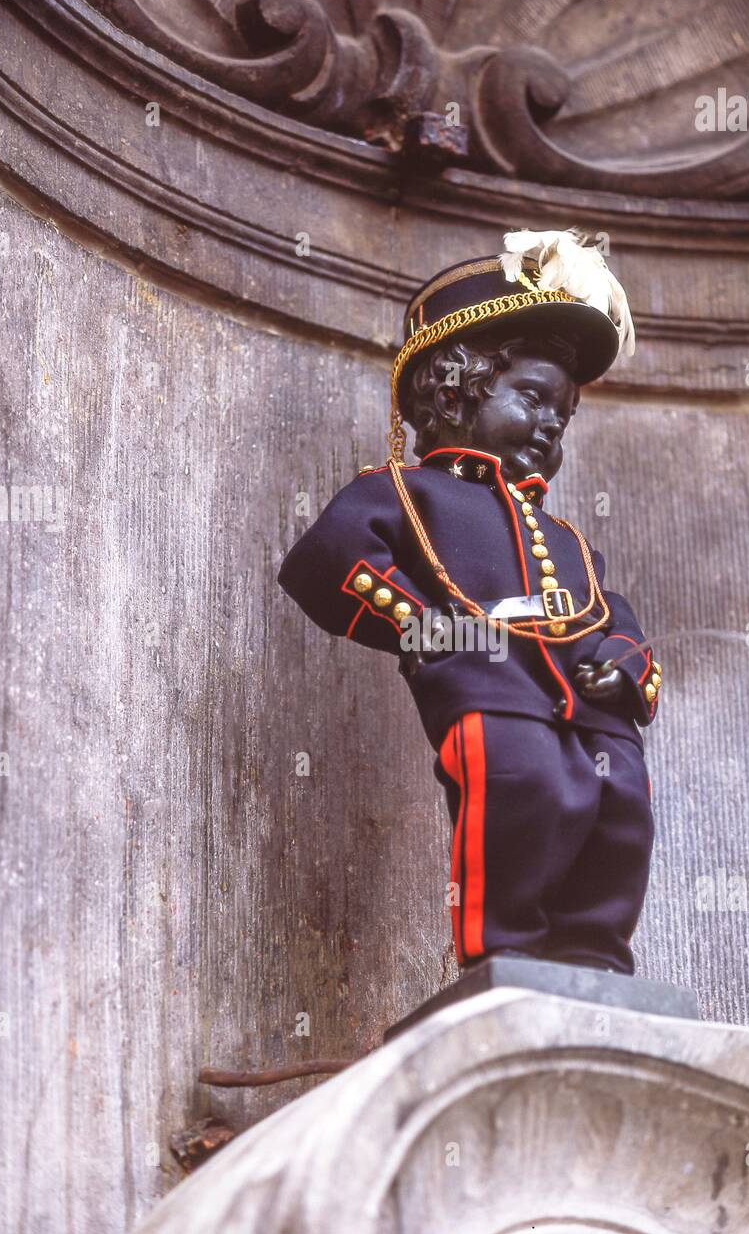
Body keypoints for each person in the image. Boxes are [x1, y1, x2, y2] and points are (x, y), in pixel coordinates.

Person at [280, 230, 662, 975]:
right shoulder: (405, 491)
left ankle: (595, 956)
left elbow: (610, 612)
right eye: (534, 398)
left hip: (590, 706)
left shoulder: (567, 537)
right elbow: (326, 559)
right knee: (518, 788)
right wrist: (424, 629)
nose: (553, 424)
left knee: (621, 816)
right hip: (490, 683)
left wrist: (626, 663)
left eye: (565, 415)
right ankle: (506, 954)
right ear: (455, 391)